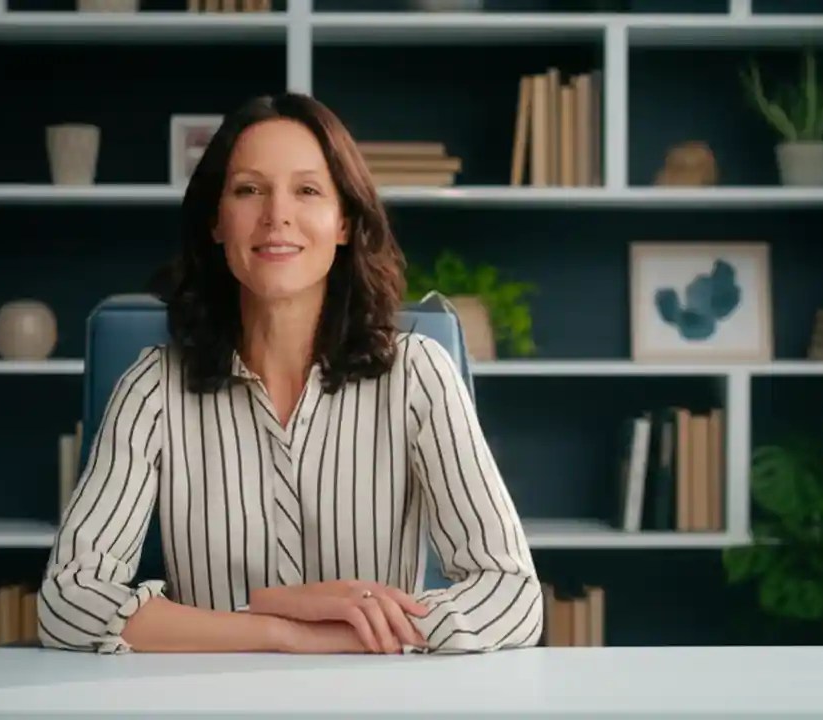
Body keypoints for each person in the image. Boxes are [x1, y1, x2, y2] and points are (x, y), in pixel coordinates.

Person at [37, 92, 542, 655]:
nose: (277, 215)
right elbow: (66, 602)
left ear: (345, 221)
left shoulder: (418, 375)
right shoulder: (154, 386)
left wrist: (329, 639)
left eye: (307, 190)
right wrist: (279, 629)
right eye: (249, 190)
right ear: (216, 221)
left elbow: (513, 596)